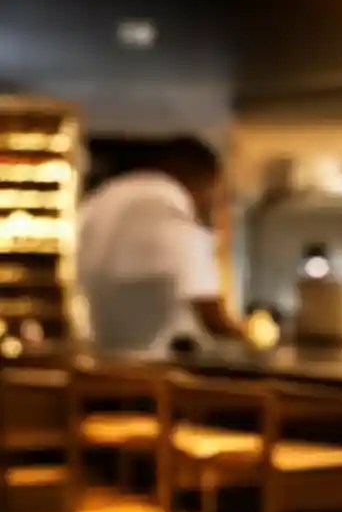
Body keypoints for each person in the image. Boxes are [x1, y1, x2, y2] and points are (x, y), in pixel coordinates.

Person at [77, 136, 243, 353]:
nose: (209, 203)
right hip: (143, 371)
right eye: (212, 192)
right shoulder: (171, 215)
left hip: (90, 361)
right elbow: (213, 320)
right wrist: (253, 341)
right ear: (199, 179)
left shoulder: (102, 199)